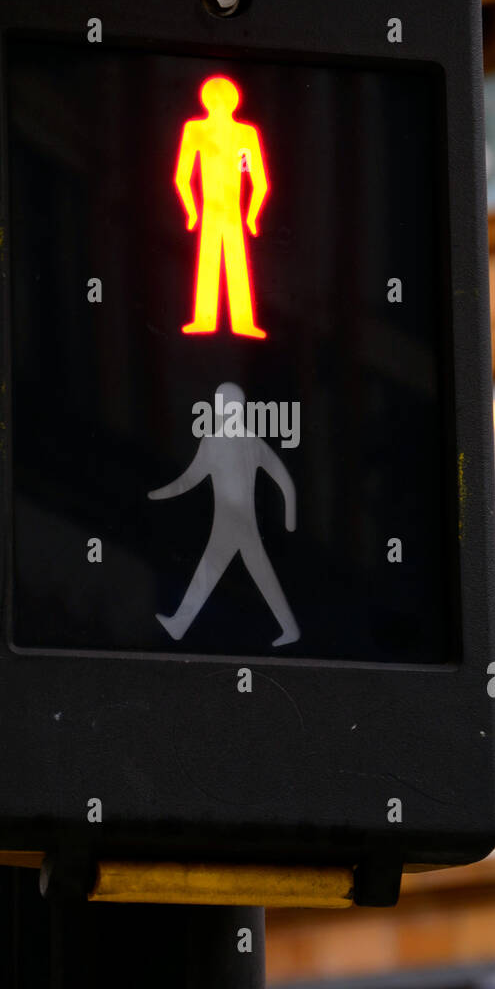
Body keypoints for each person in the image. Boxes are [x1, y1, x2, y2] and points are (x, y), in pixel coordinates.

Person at [149, 383, 299, 646]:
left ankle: (180, 624)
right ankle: (180, 624)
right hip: (228, 522)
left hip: (239, 522)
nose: (221, 409)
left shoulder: (250, 443)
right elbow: (191, 477)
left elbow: (282, 478)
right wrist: (161, 494)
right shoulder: (215, 441)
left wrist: (290, 518)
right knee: (219, 573)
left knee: (242, 574)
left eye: (223, 404)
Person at [175, 76, 269, 338]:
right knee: (216, 263)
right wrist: (192, 211)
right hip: (217, 210)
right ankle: (210, 320)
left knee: (231, 264)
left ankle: (238, 322)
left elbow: (256, 178)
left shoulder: (244, 134)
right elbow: (182, 176)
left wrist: (252, 216)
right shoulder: (197, 131)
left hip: (227, 211)